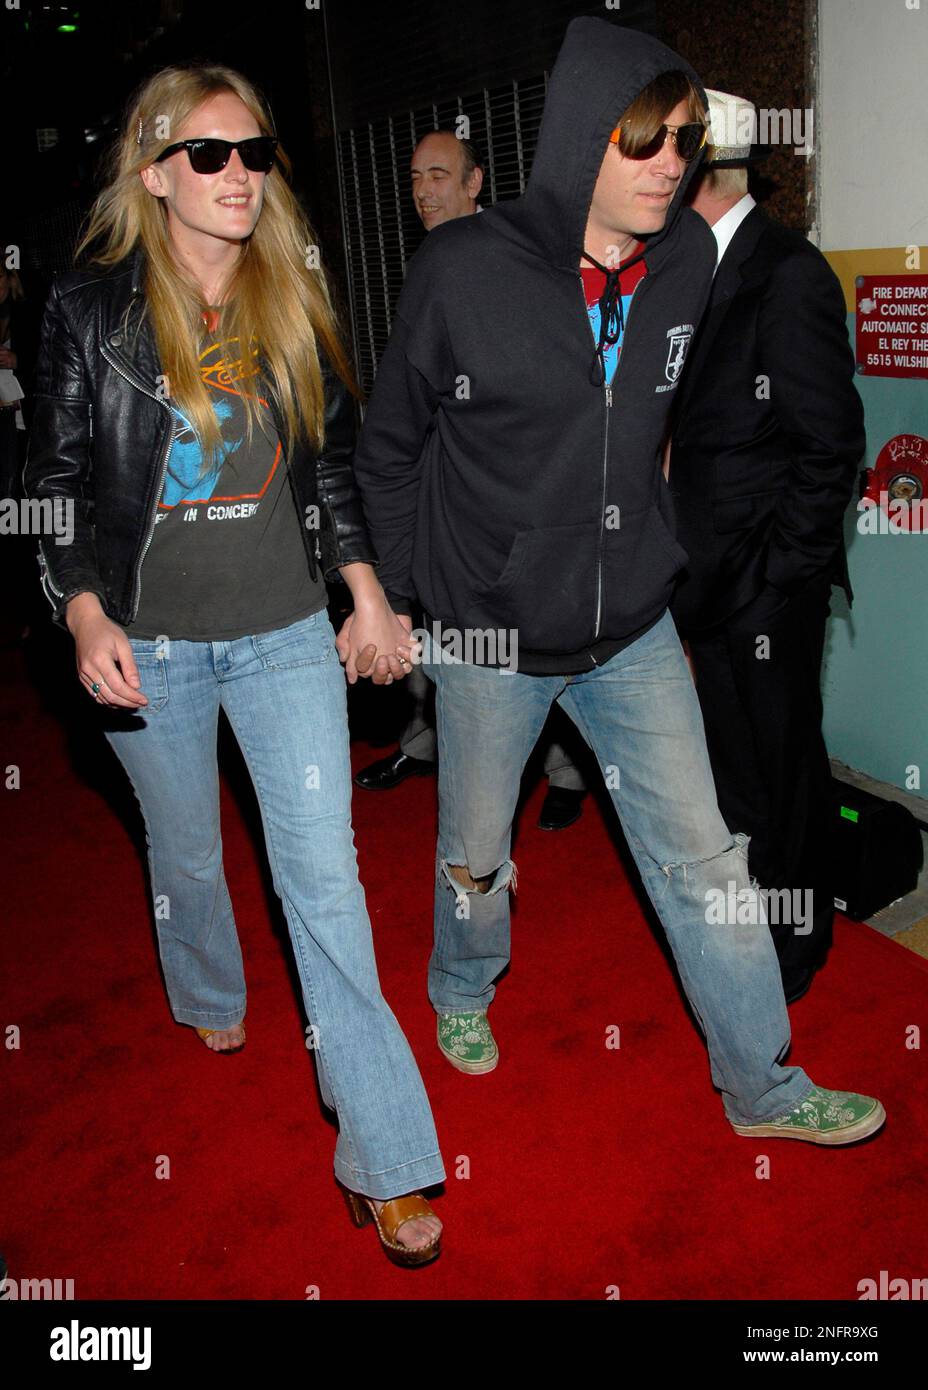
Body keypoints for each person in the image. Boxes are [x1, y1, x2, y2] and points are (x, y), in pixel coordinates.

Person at [352, 17, 884, 1146]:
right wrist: (398, 595)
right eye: (645, 140)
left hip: (632, 628)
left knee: (708, 861)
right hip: (490, 631)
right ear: (583, 138)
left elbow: (656, 429)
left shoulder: (686, 261)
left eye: (685, 141)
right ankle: (461, 987)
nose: (668, 164)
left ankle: (763, 1088)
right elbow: (388, 447)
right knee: (477, 857)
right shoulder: (463, 269)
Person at [23, 62, 445, 1265]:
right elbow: (51, 484)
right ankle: (208, 989)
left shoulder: (292, 295)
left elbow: (327, 467)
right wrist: (84, 612)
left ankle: (387, 1158)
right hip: (147, 642)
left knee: (326, 888)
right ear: (157, 172)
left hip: (281, 639)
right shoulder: (89, 306)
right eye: (209, 156)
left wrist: (365, 594)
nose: (237, 177)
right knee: (191, 848)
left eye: (254, 155)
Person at [668, 89, 865, 1003]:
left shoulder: (787, 273)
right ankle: (750, 931)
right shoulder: (695, 267)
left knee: (784, 782)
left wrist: (779, 581)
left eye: (667, 159)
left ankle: (795, 950)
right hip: (705, 588)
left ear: (699, 170)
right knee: (737, 784)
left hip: (765, 592)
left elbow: (831, 448)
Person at [356, 128, 592, 831]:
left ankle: (566, 772)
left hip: (512, 502)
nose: (424, 189)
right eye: (415, 177)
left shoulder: (510, 258)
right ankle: (425, 746)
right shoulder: (429, 259)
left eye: (439, 174)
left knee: (529, 652)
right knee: (440, 637)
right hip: (435, 485)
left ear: (475, 182)